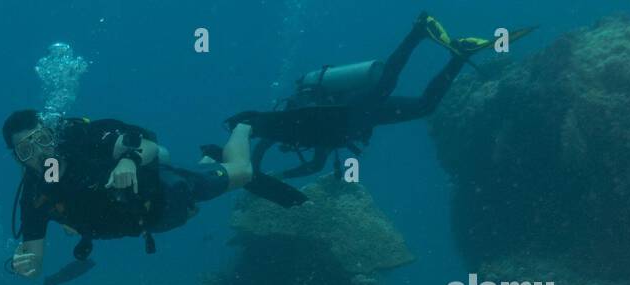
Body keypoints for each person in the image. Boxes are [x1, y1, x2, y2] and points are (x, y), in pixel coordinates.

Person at [226, 13, 535, 179]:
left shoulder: (288, 123)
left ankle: (418, 30)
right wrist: (280, 177)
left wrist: (253, 162)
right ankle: (460, 54)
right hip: (361, 119)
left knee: (386, 84)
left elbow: (261, 131)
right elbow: (315, 166)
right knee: (425, 107)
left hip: (350, 111)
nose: (285, 146)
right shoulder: (307, 138)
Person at [2, 109, 304, 277]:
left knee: (243, 171)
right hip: (148, 223)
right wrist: (22, 265)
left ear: (51, 133)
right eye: (27, 149)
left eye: (41, 139)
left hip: (168, 195)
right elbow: (34, 260)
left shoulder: (85, 141)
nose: (40, 153)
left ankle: (242, 126)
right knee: (192, 168)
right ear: (17, 159)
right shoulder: (34, 196)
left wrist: (129, 161)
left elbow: (142, 143)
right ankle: (207, 161)